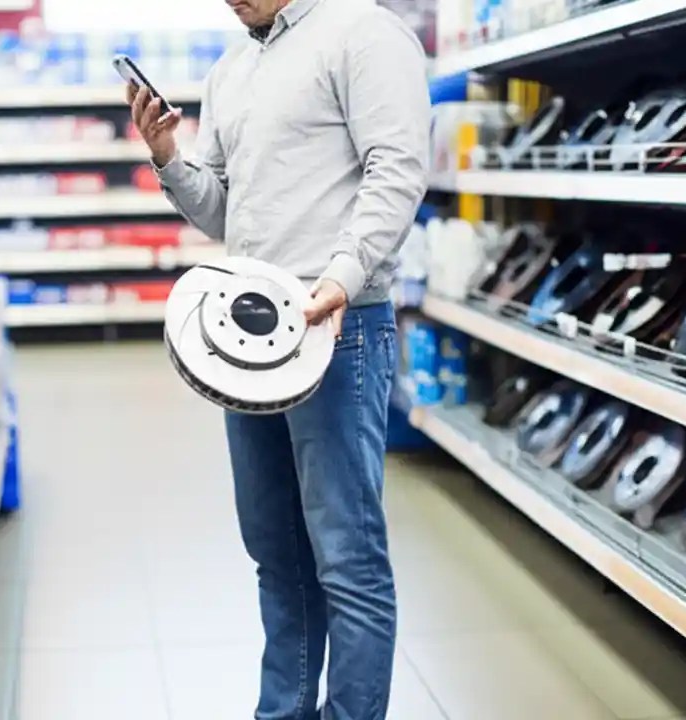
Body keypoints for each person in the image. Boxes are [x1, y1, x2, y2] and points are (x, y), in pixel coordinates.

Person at [125, 0, 430, 717]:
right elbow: (223, 211)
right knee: (276, 553)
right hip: (251, 334)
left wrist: (344, 274)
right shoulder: (233, 67)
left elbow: (399, 166)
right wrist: (168, 158)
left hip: (339, 326)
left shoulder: (363, 32)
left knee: (346, 558)